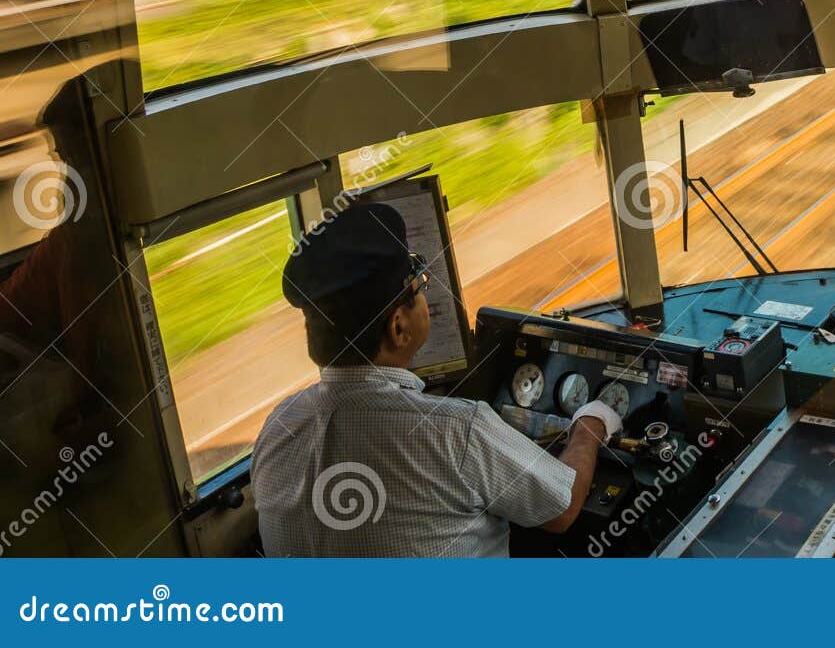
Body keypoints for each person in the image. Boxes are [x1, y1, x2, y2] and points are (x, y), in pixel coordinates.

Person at [252, 202, 620, 556]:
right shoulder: (455, 430)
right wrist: (590, 424)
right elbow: (563, 507)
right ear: (398, 327)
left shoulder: (277, 429)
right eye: (419, 289)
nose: (426, 298)